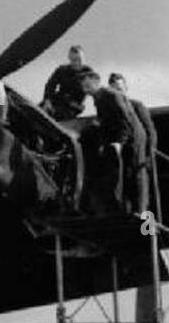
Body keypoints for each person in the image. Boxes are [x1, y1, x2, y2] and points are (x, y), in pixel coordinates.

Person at [81, 70, 137, 211]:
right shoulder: (99, 98)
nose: (84, 89)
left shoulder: (111, 95)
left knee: (125, 178)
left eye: (87, 85)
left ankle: (125, 209)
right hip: (112, 142)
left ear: (96, 82)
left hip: (125, 142)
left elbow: (125, 119)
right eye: (83, 86)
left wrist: (120, 142)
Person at [110, 73, 156, 215]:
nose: (118, 92)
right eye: (114, 90)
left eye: (120, 88)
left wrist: (149, 156)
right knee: (125, 199)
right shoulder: (112, 113)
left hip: (139, 158)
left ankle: (145, 230)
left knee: (141, 197)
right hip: (123, 160)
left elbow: (150, 132)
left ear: (125, 88)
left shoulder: (136, 106)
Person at [42, 45, 93, 121]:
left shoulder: (88, 72)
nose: (76, 63)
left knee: (57, 114)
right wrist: (47, 100)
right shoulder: (62, 70)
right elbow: (50, 85)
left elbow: (95, 92)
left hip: (73, 107)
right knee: (38, 110)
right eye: (73, 60)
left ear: (83, 59)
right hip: (58, 100)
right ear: (69, 59)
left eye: (79, 60)